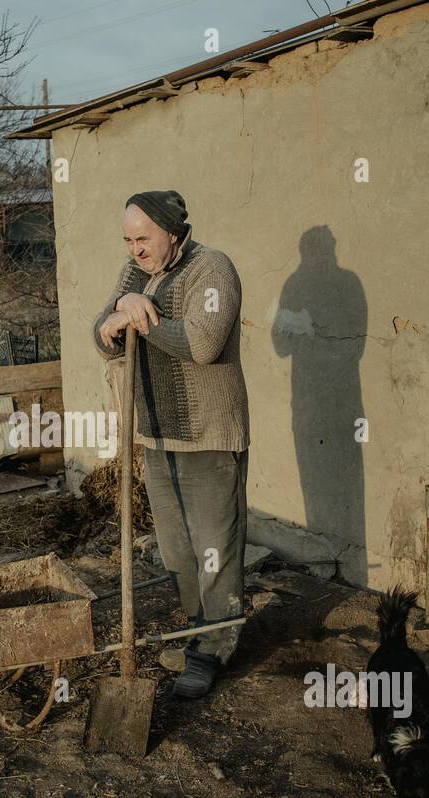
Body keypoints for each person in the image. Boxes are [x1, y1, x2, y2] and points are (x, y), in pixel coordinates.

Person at [93, 190, 250, 699]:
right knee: (177, 549)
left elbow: (203, 345)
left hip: (208, 432)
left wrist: (136, 317)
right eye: (128, 239)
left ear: (173, 233)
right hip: (157, 432)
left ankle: (214, 650)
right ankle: (195, 632)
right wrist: (120, 306)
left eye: (144, 238)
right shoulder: (134, 276)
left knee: (213, 550)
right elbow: (101, 336)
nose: (135, 249)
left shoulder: (213, 270)